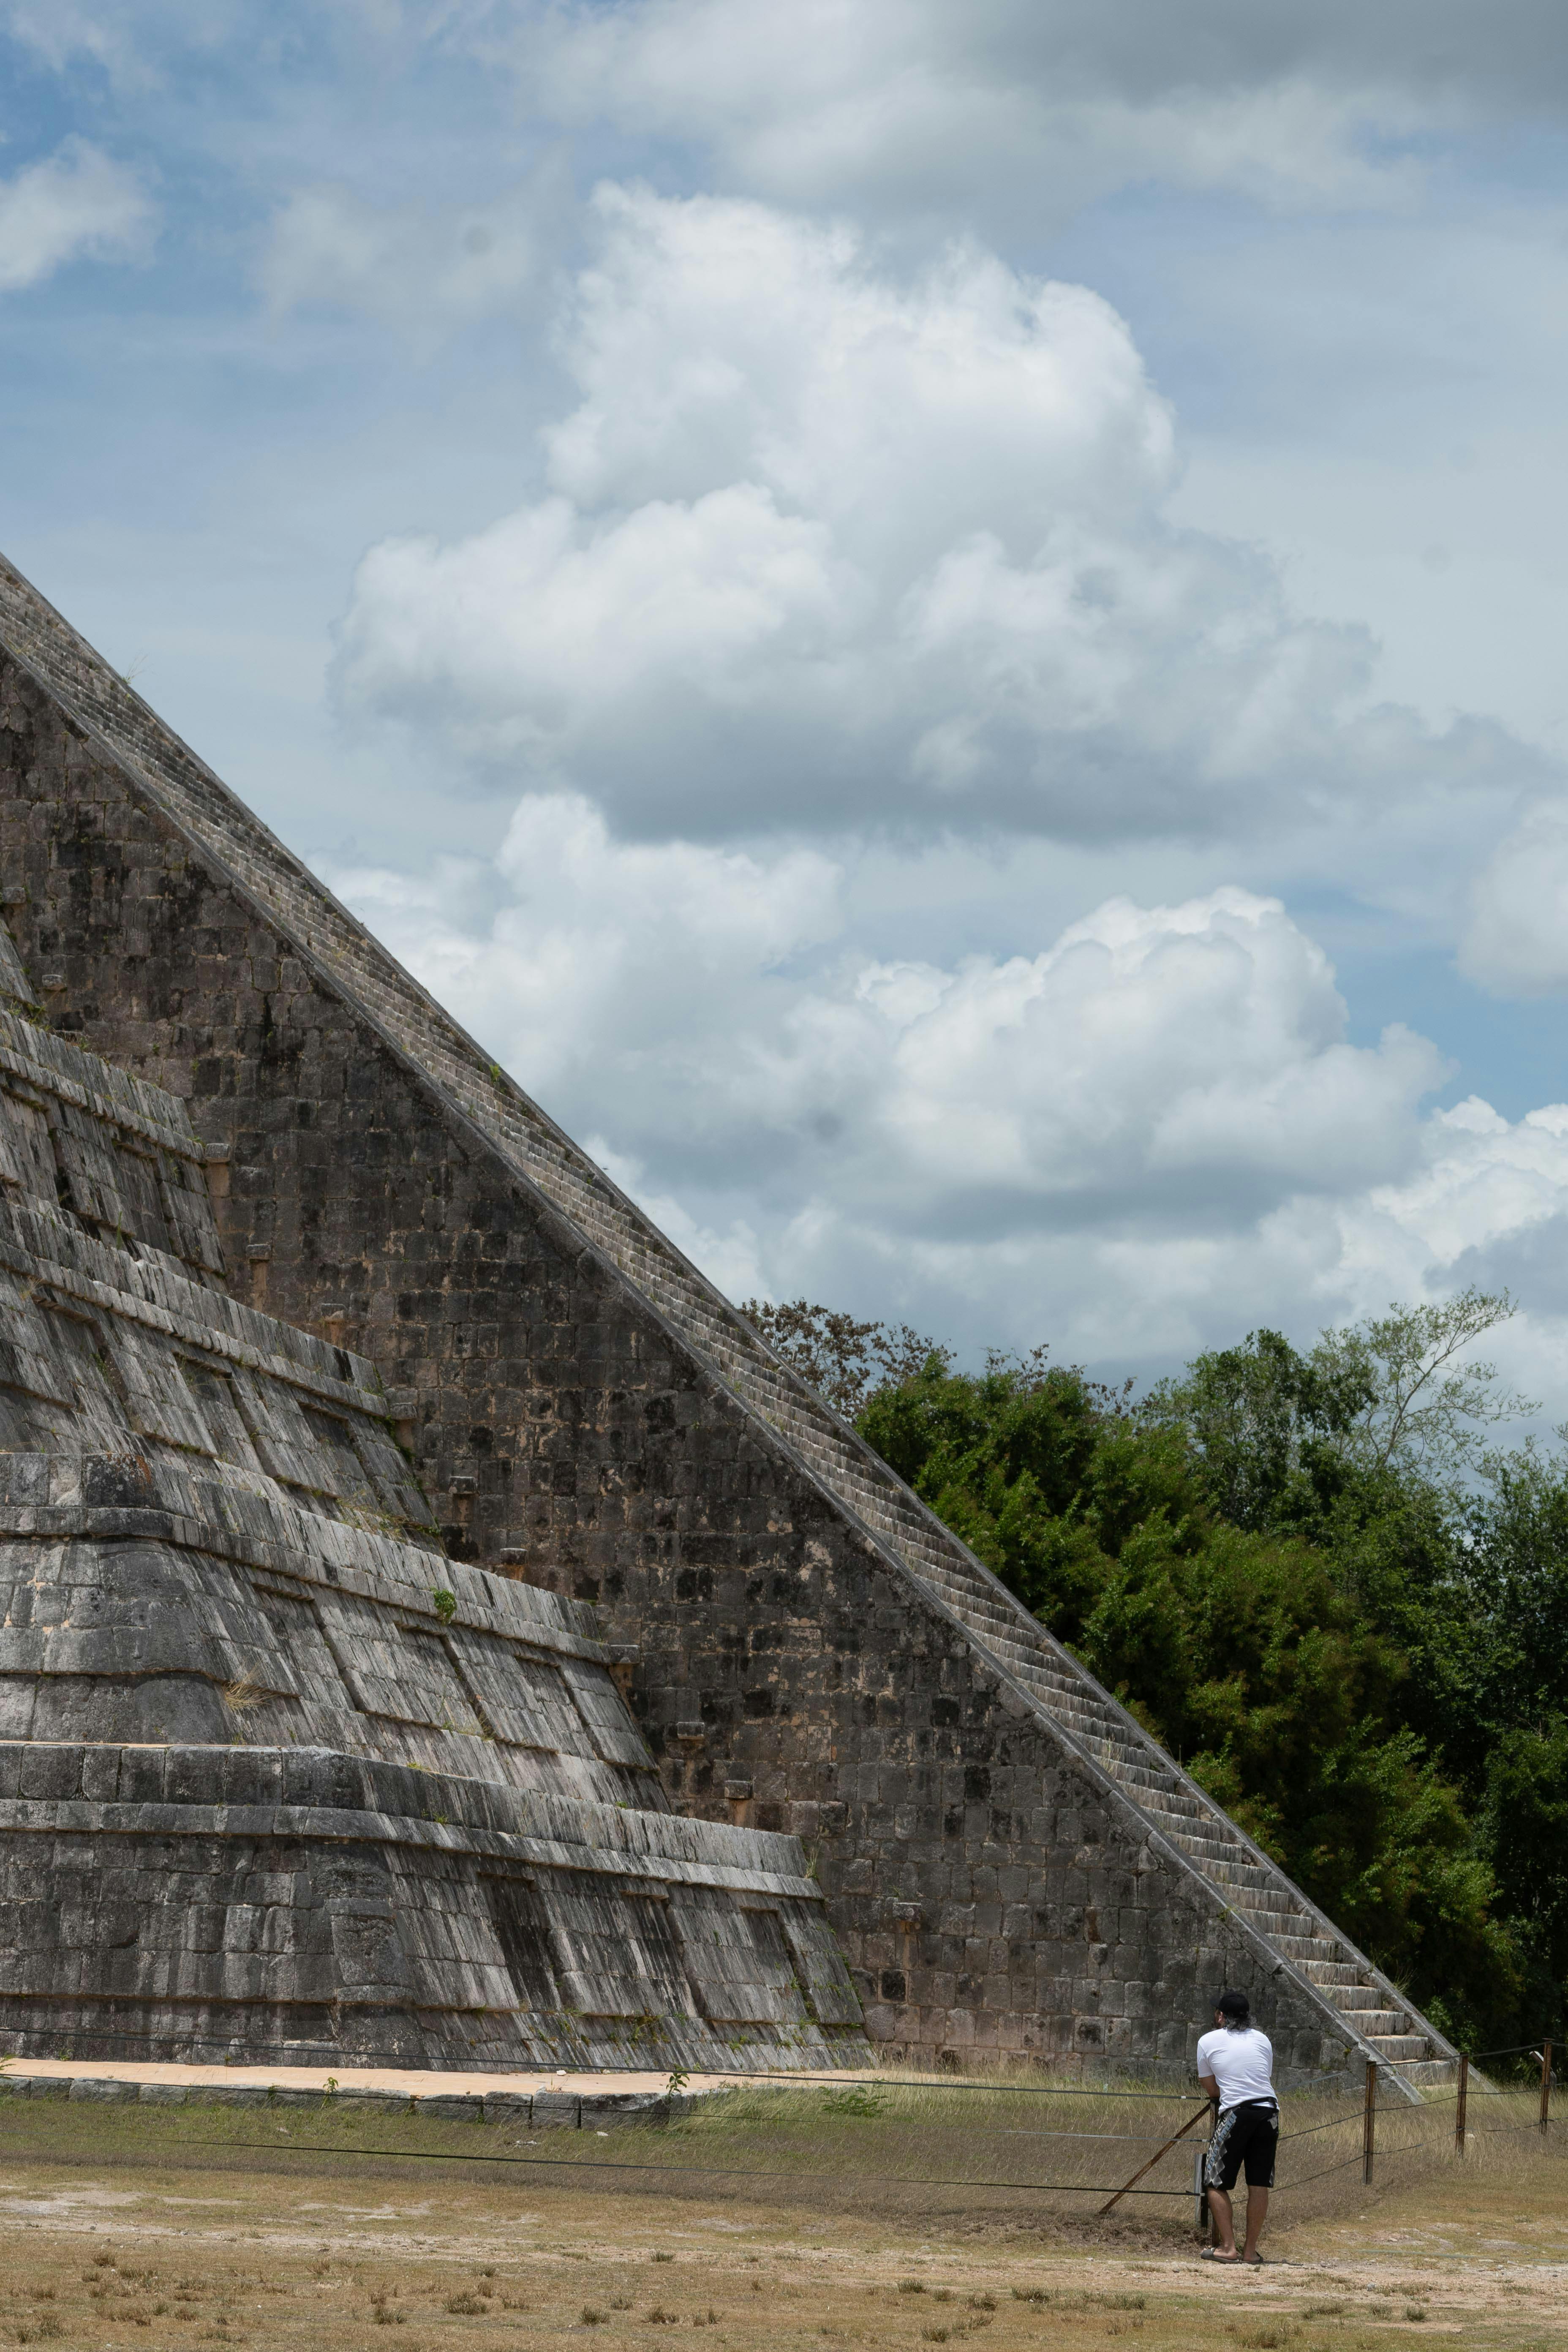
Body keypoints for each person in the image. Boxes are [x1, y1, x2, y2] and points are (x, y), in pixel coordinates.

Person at [1196, 1989, 1278, 2264]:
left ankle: (1228, 2248)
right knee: (1259, 2183)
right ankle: (1250, 2251)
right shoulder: (1263, 2040)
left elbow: (1212, 2090)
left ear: (1221, 2016)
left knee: (1214, 2181)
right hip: (1269, 2111)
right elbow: (1263, 2076)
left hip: (1237, 2113)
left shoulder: (1208, 2041)